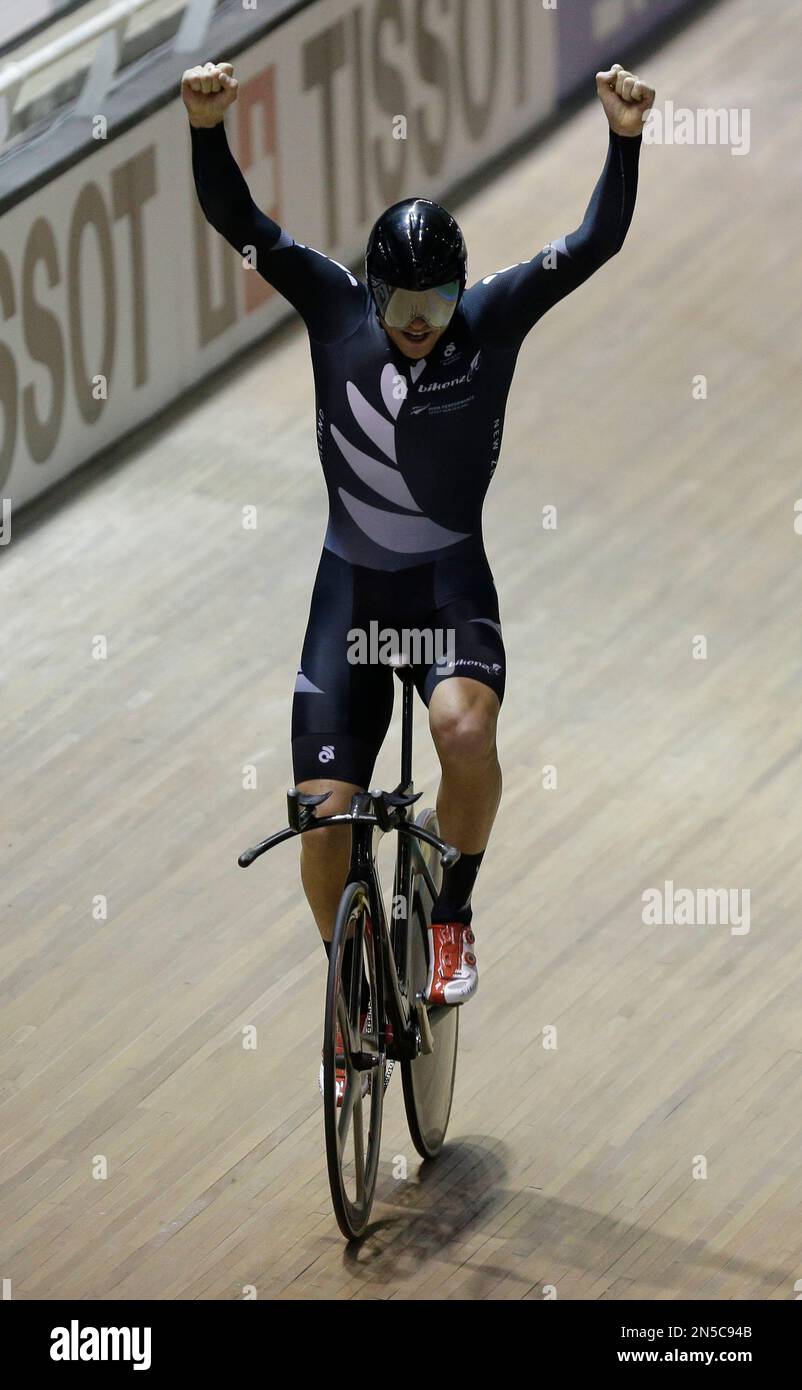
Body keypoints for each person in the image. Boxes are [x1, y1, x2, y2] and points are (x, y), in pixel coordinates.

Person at [183, 59, 654, 1061]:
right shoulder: (331, 308)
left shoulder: (490, 318)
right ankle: (346, 974)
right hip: (348, 599)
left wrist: (622, 139)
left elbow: (594, 241)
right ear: (369, 287)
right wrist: (205, 124)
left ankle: (451, 914)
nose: (417, 321)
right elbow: (238, 218)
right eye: (400, 302)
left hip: (444, 591)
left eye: (435, 301)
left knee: (463, 734)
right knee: (323, 818)